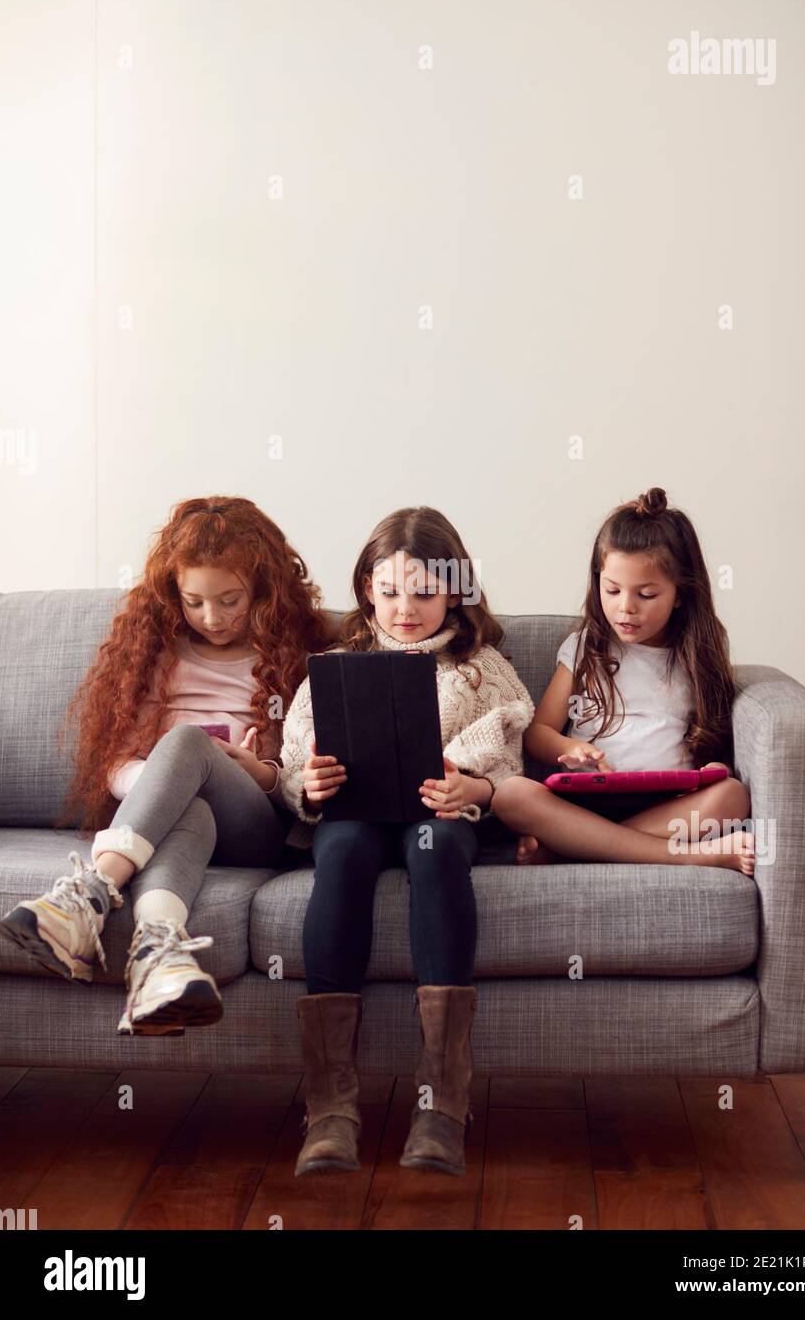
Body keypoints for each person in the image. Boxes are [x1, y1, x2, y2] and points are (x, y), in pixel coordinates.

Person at [0, 496, 330, 1034]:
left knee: (187, 742)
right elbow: (117, 767)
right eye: (194, 601)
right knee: (189, 795)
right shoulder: (159, 653)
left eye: (230, 601)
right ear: (174, 592)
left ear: (263, 591)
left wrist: (256, 770)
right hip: (177, 816)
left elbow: (297, 781)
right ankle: (160, 958)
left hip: (255, 824)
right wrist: (161, 779)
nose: (212, 618)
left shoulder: (292, 652)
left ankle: (89, 894)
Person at [279, 506, 535, 1178]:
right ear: (367, 588)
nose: (404, 609)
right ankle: (331, 1105)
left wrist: (471, 789)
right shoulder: (337, 665)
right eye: (389, 592)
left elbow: (510, 765)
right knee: (339, 852)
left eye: (424, 593)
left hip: (437, 815)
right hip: (356, 815)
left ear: (456, 589)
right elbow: (292, 761)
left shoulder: (481, 668)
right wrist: (309, 783)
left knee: (440, 847)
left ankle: (441, 1101)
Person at [492, 487, 755, 876]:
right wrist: (573, 747)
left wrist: (710, 763)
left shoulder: (695, 655)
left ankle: (573, 849)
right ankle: (696, 854)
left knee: (732, 796)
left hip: (666, 805)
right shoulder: (584, 647)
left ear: (680, 594)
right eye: (612, 590)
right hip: (586, 801)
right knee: (510, 795)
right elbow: (538, 733)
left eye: (646, 594)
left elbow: (712, 736)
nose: (625, 607)